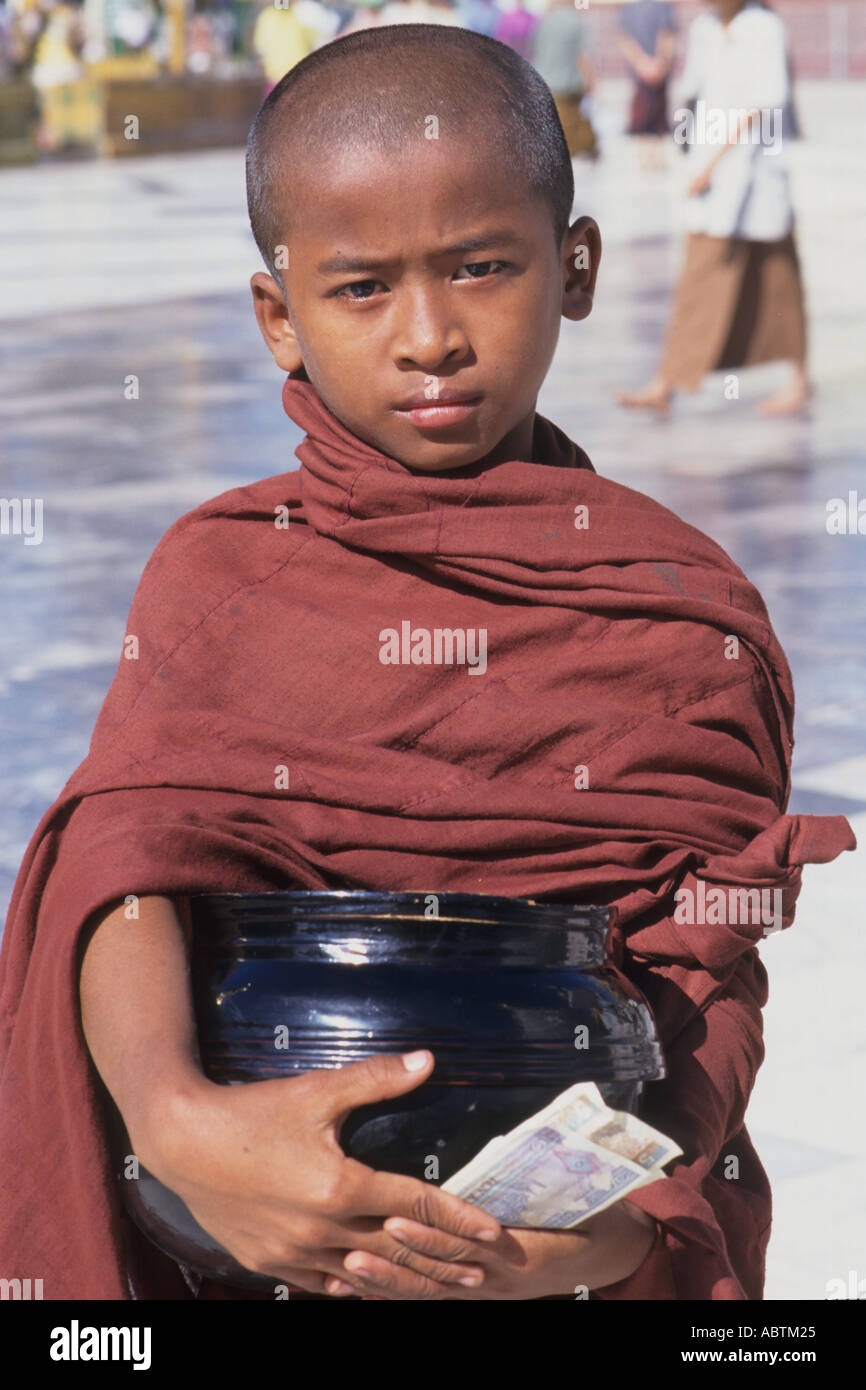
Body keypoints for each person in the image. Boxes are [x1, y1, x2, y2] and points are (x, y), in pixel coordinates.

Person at [0, 22, 854, 1302]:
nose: (428, 337)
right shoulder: (227, 573)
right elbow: (128, 864)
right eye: (359, 289)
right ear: (276, 317)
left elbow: (702, 966)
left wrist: (627, 1230)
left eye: (478, 267)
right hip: (247, 1241)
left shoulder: (675, 609)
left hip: (555, 1254)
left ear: (573, 269)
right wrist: (181, 1123)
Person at [617, 0, 811, 416]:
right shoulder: (706, 28)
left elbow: (763, 104)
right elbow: (693, 93)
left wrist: (713, 165)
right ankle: (666, 381)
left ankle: (799, 379)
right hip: (712, 175)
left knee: (779, 279)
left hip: (754, 173)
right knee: (699, 278)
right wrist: (691, 155)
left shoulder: (763, 28)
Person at [530, 0, 598, 160]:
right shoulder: (575, 21)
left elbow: (535, 51)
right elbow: (583, 57)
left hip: (544, 86)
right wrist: (591, 82)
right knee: (570, 140)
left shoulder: (543, 21)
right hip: (568, 89)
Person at [617, 0, 677, 170]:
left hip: (642, 72)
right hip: (654, 71)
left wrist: (642, 64)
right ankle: (654, 161)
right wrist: (660, 64)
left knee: (645, 119)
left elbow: (625, 40)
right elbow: (667, 37)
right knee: (653, 119)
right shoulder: (662, 8)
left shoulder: (628, 10)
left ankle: (646, 161)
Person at [251, 0, 316, 96]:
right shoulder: (268, 16)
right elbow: (261, 51)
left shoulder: (303, 14)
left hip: (300, 78)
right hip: (276, 80)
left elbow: (313, 44)